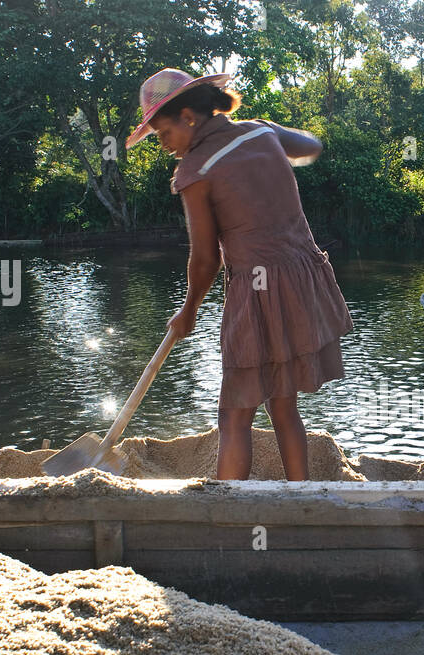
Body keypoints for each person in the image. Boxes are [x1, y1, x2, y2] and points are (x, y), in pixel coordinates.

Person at [125, 68, 354, 481]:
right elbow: (310, 145)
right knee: (283, 404)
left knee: (234, 413)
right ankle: (301, 500)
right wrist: (269, 134)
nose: (164, 145)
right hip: (303, 278)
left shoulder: (195, 170)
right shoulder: (260, 132)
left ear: (189, 117)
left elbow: (205, 260)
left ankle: (228, 515)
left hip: (258, 289)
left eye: (163, 133)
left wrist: (189, 310)